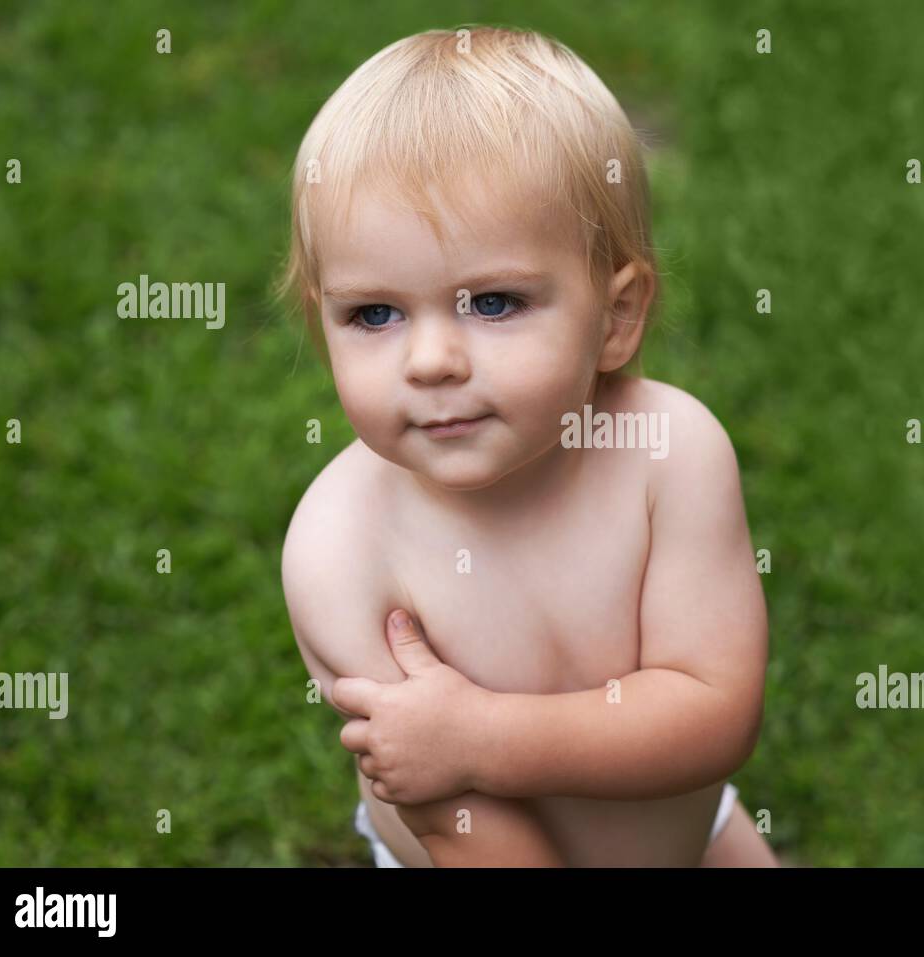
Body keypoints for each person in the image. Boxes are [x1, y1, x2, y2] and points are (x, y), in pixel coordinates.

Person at [280, 25, 777, 867]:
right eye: (374, 314)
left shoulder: (668, 455)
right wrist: (462, 758)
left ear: (616, 317)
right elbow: (462, 825)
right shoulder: (341, 548)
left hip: (685, 832)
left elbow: (714, 709)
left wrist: (484, 735)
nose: (432, 361)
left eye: (496, 302)